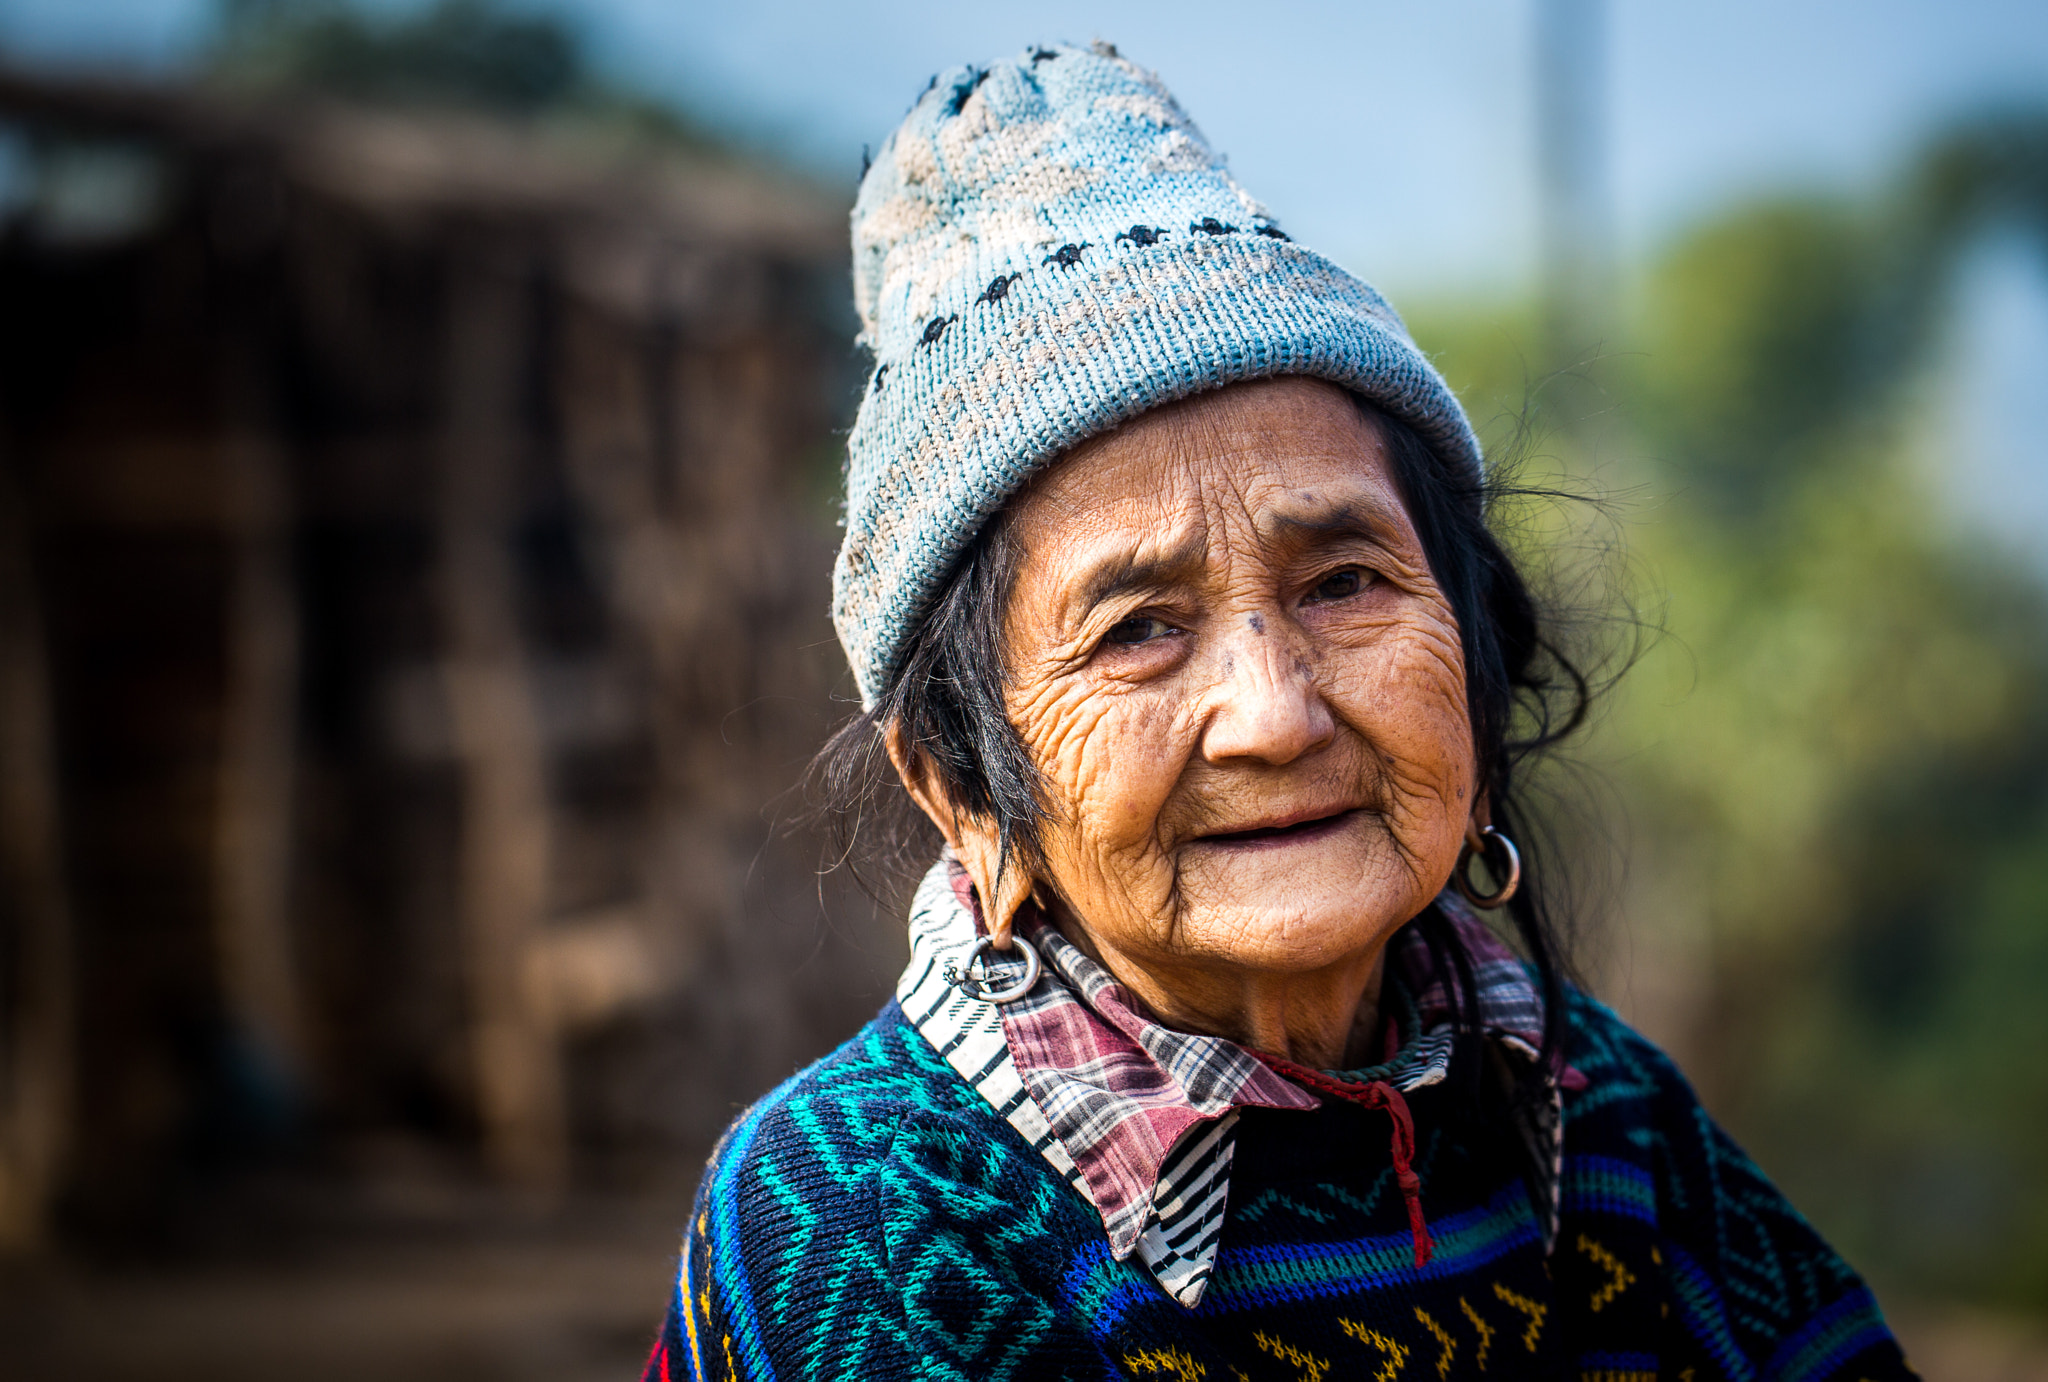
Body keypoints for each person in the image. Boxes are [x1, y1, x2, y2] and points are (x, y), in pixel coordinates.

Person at [643, 42, 1915, 1382]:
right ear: (958, 787)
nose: (1274, 714)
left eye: (1346, 582)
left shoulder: (1604, 1120)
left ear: (1474, 657)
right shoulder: (868, 1231)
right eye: (1137, 628)